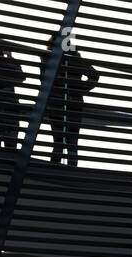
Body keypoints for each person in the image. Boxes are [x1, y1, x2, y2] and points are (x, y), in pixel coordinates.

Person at [41, 35, 99, 165]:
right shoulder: (66, 59)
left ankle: (55, 170)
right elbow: (94, 76)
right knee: (68, 142)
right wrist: (79, 90)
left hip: (60, 104)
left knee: (61, 141)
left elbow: (94, 75)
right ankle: (67, 170)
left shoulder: (52, 60)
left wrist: (78, 90)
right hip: (68, 104)